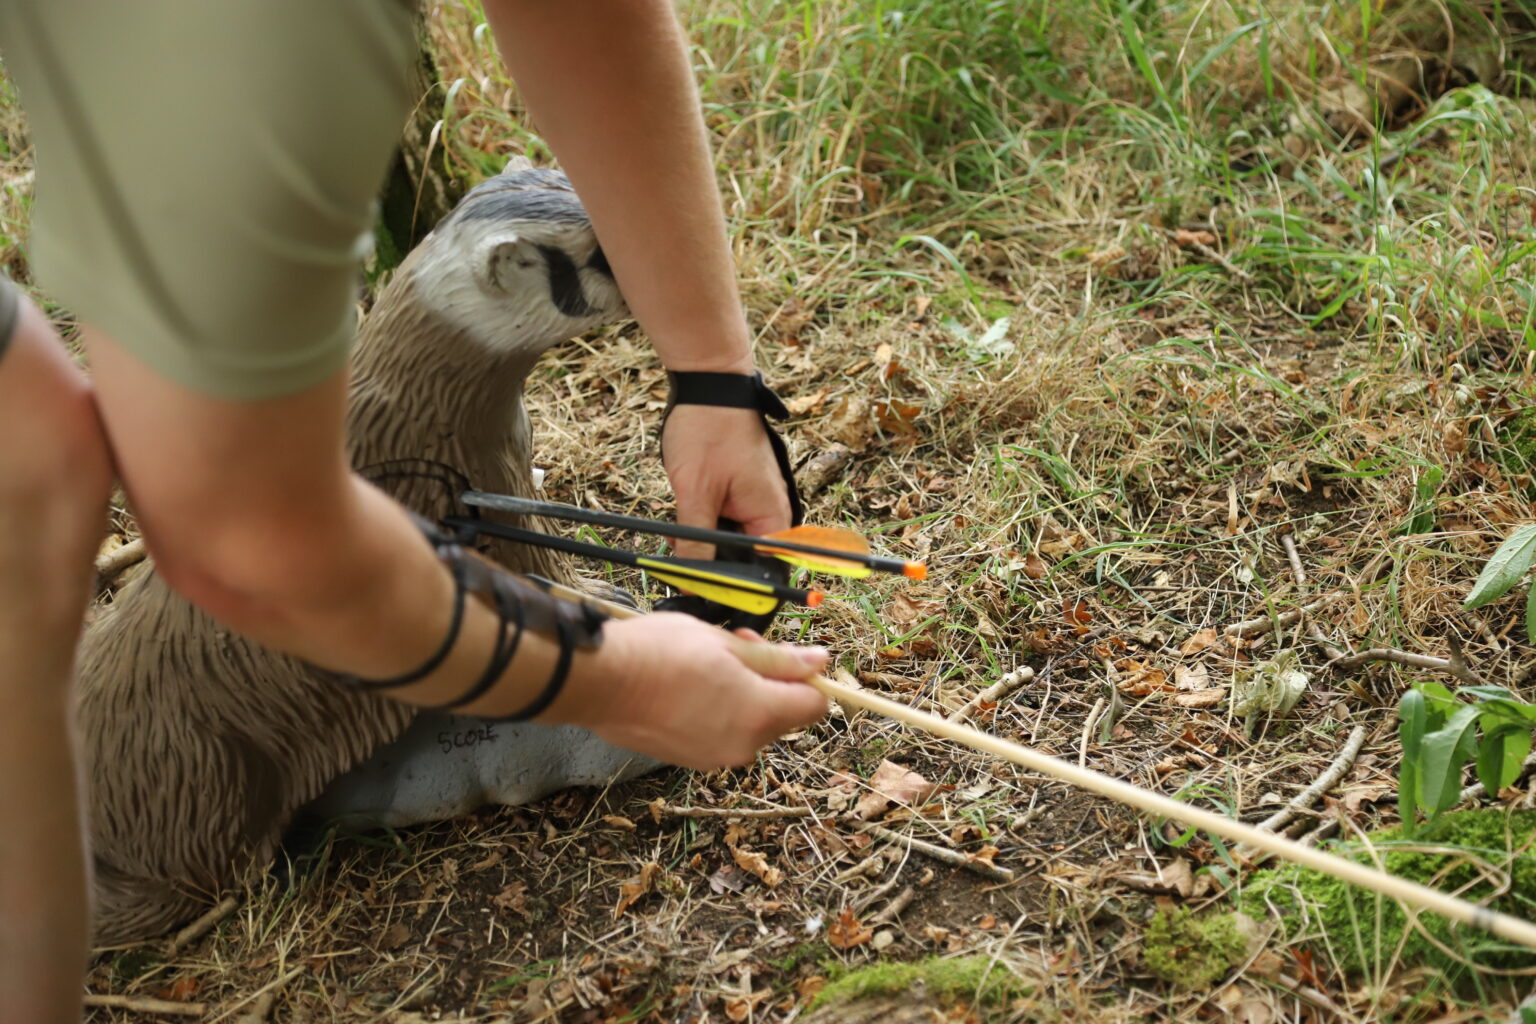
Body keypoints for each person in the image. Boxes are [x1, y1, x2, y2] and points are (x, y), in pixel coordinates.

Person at [0, 2, 830, 1020]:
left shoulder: (467, 399)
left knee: (34, 463)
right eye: (606, 273)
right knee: (33, 479)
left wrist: (715, 380)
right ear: (509, 278)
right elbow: (246, 539)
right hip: (192, 781)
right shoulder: (247, 43)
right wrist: (614, 684)